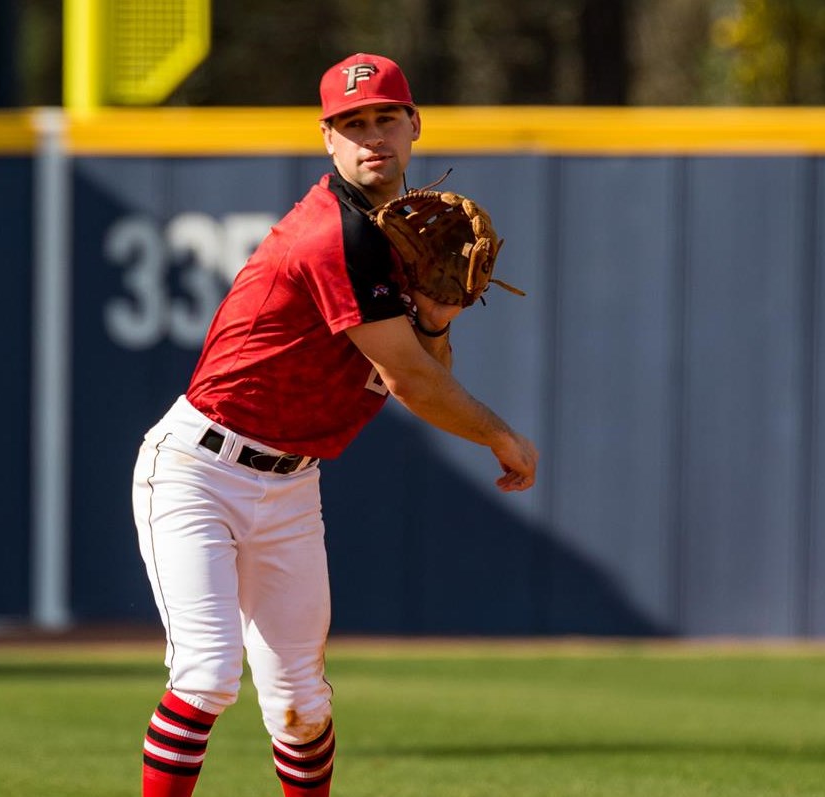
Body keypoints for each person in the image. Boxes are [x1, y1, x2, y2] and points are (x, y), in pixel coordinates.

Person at [130, 52, 540, 797]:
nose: (371, 135)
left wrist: (438, 316)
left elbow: (420, 359)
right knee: (209, 672)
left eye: (385, 117)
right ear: (328, 139)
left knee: (303, 706)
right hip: (200, 471)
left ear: (414, 126)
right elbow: (408, 380)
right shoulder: (334, 236)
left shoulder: (388, 237)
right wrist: (501, 435)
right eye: (353, 123)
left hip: (290, 482)